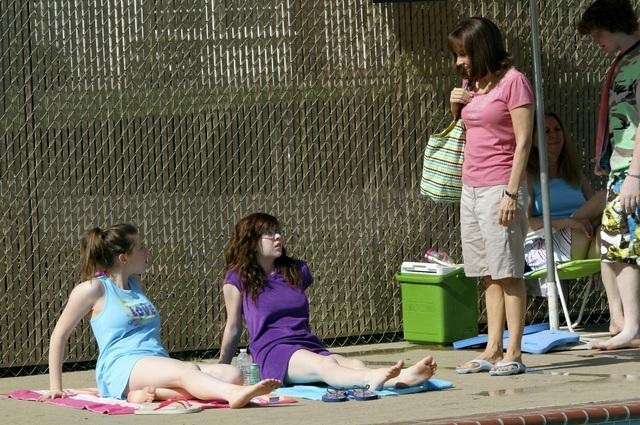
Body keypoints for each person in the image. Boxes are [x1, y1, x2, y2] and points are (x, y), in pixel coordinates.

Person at [41, 223, 280, 408]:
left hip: (155, 360)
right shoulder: (93, 289)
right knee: (192, 374)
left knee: (232, 373)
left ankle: (150, 393)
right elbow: (59, 335)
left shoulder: (136, 286)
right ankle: (233, 396)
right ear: (123, 257)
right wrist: (56, 387)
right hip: (123, 365)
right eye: (141, 247)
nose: (147, 251)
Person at [219, 213, 437, 391]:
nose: (277, 237)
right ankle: (371, 380)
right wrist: (221, 369)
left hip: (307, 343)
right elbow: (233, 327)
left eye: (278, 231)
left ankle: (401, 378)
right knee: (326, 365)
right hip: (273, 350)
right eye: (268, 233)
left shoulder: (294, 271)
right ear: (252, 242)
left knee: (354, 364)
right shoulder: (237, 278)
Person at [448, 17, 535, 376]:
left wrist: (511, 194)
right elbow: (470, 130)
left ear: (482, 48)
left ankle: (515, 350)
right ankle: (492, 348)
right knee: (487, 273)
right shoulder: (473, 84)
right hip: (470, 188)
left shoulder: (514, 82)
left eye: (463, 54)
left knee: (508, 271)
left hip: (501, 187)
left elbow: (524, 142)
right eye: (456, 55)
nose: (458, 63)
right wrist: (456, 105)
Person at [578, 0, 640, 350]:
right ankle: (628, 323)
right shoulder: (622, 62)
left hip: (633, 172)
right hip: (621, 170)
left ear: (613, 24)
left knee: (628, 246)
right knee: (617, 246)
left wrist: (635, 176)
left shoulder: (638, 62)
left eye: (597, 32)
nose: (595, 40)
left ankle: (632, 324)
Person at [524, 112, 606, 272]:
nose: (553, 135)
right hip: (548, 245)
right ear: (533, 140)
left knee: (609, 232)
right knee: (605, 196)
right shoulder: (528, 175)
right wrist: (567, 222)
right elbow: (526, 224)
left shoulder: (574, 174)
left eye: (557, 129)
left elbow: (596, 208)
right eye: (546, 131)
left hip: (583, 238)